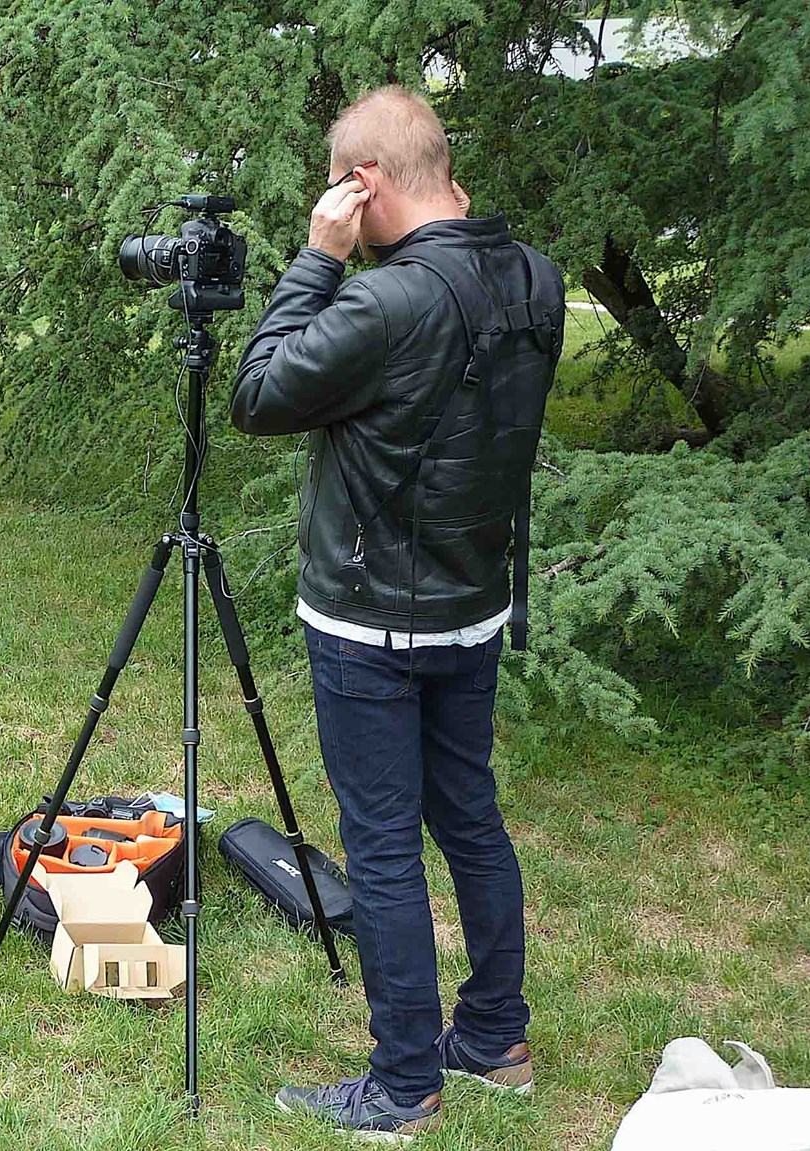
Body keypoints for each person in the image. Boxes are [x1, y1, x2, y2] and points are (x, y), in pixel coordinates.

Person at [230, 86, 566, 1140]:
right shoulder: (533, 277)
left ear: (360, 183)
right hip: (470, 602)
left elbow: (258, 393)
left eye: (340, 187)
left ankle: (402, 1079)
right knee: (466, 814)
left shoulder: (384, 303)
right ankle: (494, 1036)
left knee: (380, 841)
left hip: (372, 619)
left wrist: (319, 257)